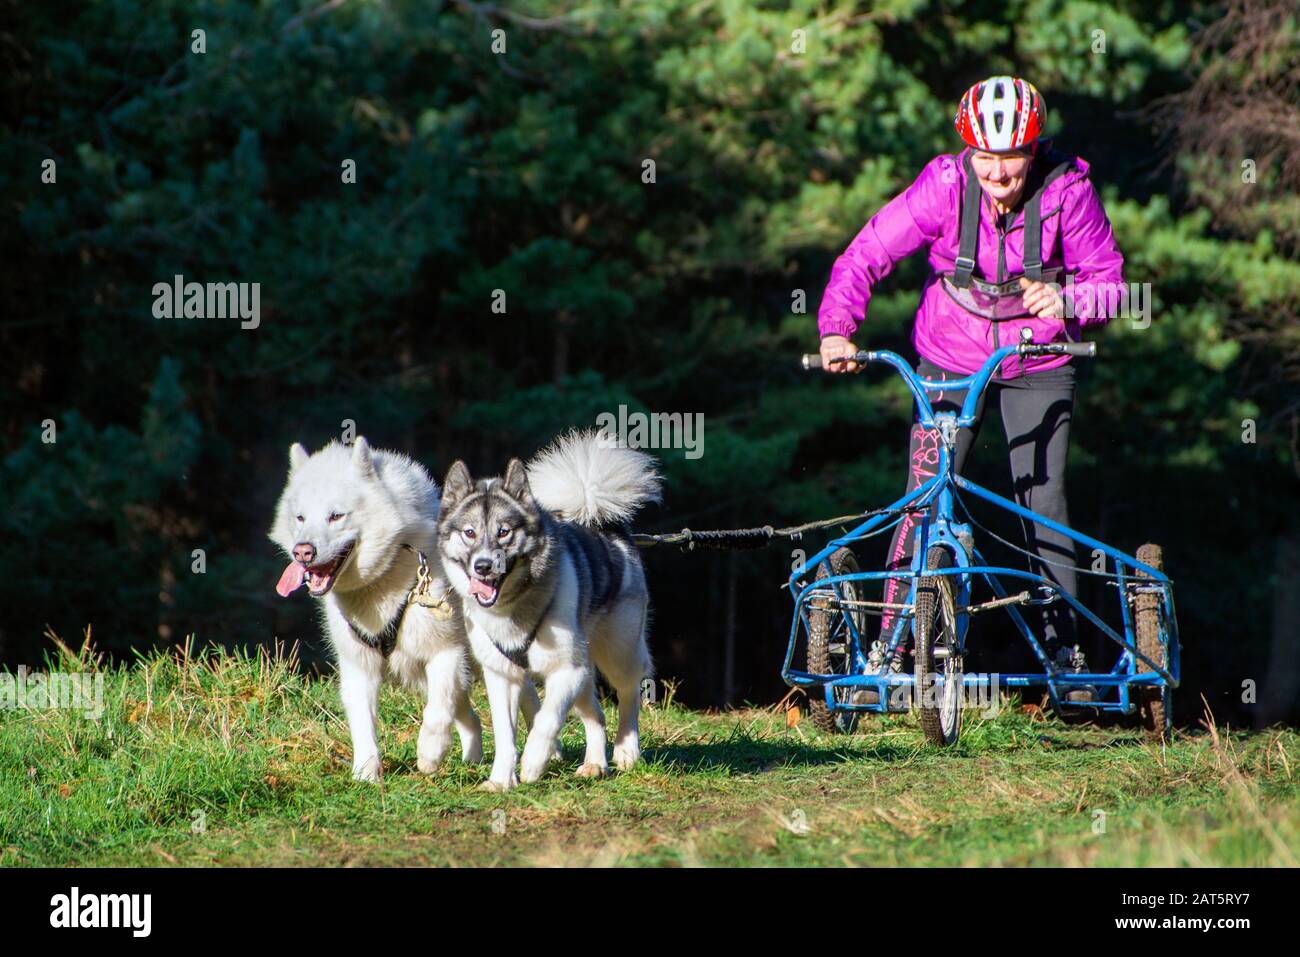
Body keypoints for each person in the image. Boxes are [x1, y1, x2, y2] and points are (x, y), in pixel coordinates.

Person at [816, 75, 1126, 697]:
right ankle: (889, 648)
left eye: (1010, 155)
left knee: (1042, 500)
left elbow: (1113, 286)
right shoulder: (945, 185)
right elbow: (866, 252)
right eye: (985, 155)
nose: (998, 170)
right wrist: (837, 330)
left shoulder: (1069, 191)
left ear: (1032, 151)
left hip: (1038, 360)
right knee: (923, 496)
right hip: (947, 356)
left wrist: (1068, 300)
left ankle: (1063, 653)